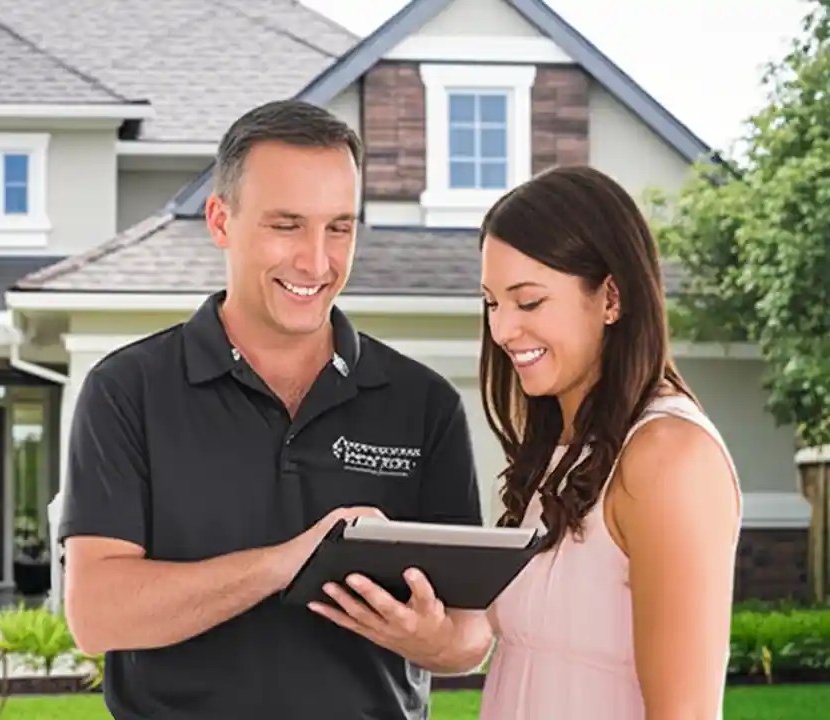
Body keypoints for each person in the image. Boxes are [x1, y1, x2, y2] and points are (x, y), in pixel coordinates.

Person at [58, 98, 493, 720]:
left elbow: (469, 637)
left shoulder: (424, 405)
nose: (317, 261)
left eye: (338, 227)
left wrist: (431, 640)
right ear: (220, 221)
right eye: (286, 226)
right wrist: (289, 562)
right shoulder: (127, 391)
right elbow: (97, 615)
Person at [475, 165, 742, 720]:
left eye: (527, 303)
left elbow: (684, 714)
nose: (502, 330)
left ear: (611, 297)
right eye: (492, 303)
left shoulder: (667, 457)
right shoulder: (561, 454)